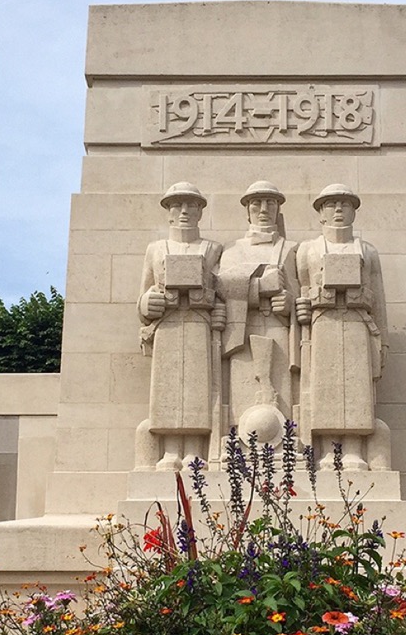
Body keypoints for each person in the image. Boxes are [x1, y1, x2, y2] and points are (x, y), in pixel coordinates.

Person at [296, 184, 389, 469]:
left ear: (354, 211)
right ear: (320, 213)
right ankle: (328, 451)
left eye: (344, 204)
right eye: (331, 204)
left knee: (357, 388)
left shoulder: (368, 251)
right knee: (324, 387)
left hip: (357, 324)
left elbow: (380, 300)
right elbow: (301, 286)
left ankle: (353, 450)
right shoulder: (307, 250)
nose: (338, 209)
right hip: (323, 324)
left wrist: (384, 342)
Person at [136, 182, 225, 470]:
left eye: (191, 205)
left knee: (198, 388)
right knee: (167, 389)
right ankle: (170, 450)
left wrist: (219, 309)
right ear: (169, 211)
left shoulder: (213, 249)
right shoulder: (155, 249)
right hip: (168, 326)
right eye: (177, 205)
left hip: (199, 325)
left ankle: (194, 450)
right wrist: (146, 303)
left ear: (200, 211)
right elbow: (144, 293)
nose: (184, 210)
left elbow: (224, 290)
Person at [217, 181, 298, 447]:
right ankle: (238, 446)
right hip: (243, 329)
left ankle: (283, 444)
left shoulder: (291, 249)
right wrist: (259, 288)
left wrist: (290, 304)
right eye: (256, 203)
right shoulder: (232, 250)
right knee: (243, 391)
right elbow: (223, 288)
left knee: (281, 391)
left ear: (278, 208)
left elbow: (302, 296)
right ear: (247, 210)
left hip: (278, 326)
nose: (263, 209)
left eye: (270, 203)